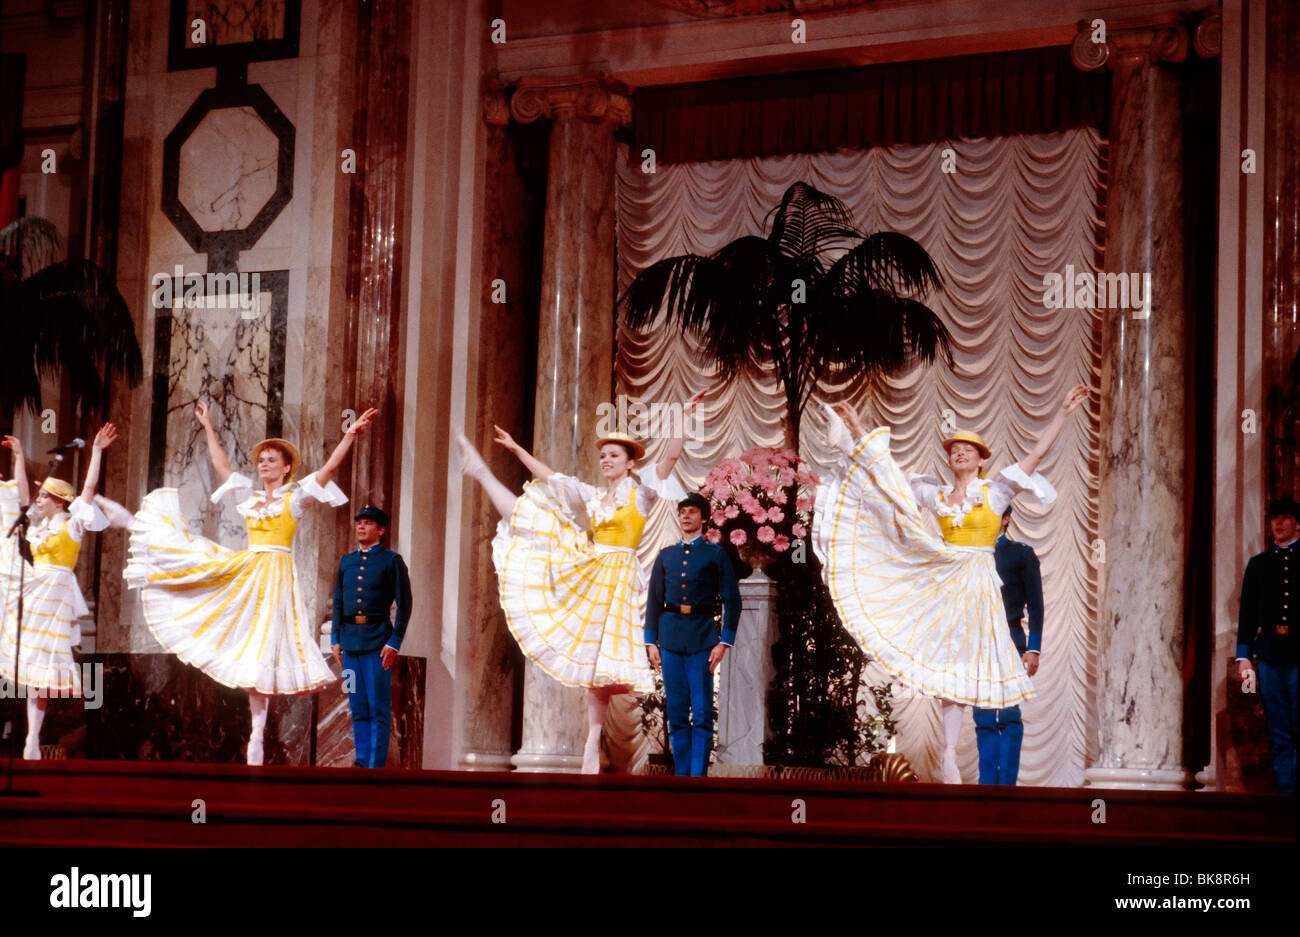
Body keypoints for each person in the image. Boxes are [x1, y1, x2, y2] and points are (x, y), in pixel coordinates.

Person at [814, 384, 1088, 783]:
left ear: (980, 460)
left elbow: (1036, 454)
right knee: (948, 668)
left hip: (978, 584)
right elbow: (887, 479)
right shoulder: (935, 492)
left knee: (972, 670)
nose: (958, 453)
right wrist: (856, 428)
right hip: (944, 578)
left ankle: (993, 778)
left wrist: (1062, 411)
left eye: (968, 450)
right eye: (953, 450)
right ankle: (947, 756)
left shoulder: (995, 493)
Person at [457, 391, 702, 774]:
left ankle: (593, 739)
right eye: (603, 456)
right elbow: (552, 478)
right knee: (535, 521)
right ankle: (483, 473)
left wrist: (684, 416)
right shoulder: (594, 496)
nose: (606, 460)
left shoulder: (641, 494)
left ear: (629, 462)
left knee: (602, 665)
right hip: (590, 568)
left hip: (618, 578)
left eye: (614, 456)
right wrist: (517, 450)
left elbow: (669, 458)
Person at [124, 401, 378, 765]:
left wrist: (350, 434)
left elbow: (329, 468)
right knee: (243, 640)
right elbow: (221, 465)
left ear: (287, 467)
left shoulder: (295, 497)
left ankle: (258, 734)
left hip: (277, 576)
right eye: (261, 460)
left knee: (268, 647)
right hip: (249, 572)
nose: (264, 464)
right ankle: (255, 731)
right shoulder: (251, 496)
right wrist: (209, 424)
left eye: (272, 460)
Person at [0, 426, 117, 759]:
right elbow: (23, 498)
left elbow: (90, 488)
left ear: (58, 501)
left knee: (45, 668)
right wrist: (20, 456)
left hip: (55, 594)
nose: (38, 500)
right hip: (33, 589)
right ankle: (28, 738)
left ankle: (33, 739)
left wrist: (96, 451)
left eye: (44, 496)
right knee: (27, 663)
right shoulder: (38, 527)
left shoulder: (74, 522)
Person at [645, 491, 742, 777]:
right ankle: (681, 776)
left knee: (700, 713)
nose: (686, 516)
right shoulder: (666, 556)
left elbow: (732, 600)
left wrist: (723, 642)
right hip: (671, 639)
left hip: (702, 639)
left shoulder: (715, 554)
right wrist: (651, 641)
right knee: (675, 712)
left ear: (704, 518)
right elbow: (654, 601)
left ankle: (697, 778)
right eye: (682, 511)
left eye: (692, 511)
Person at [330, 504, 412, 769]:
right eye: (359, 522)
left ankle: (375, 767)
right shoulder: (347, 562)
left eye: (367, 523)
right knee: (357, 705)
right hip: (351, 644)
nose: (361, 526)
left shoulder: (391, 561)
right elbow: (340, 602)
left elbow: (405, 603)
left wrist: (395, 641)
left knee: (378, 708)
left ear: (381, 530)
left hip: (378, 644)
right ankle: (361, 761)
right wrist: (335, 638)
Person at [972, 506, 1043, 785]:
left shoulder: (1021, 554)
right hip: (977, 640)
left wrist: (1033, 648)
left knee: (1010, 715)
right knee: (983, 716)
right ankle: (987, 785)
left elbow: (1036, 605)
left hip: (1011, 638)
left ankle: (1007, 788)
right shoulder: (971, 555)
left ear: (1006, 519)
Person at [1236, 497, 1299, 795]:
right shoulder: (1259, 565)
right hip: (1270, 654)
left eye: (1285, 517)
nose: (1278, 523)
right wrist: (1244, 657)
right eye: (1275, 518)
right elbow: (1247, 613)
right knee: (1278, 727)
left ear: (1297, 523)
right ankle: (1286, 793)